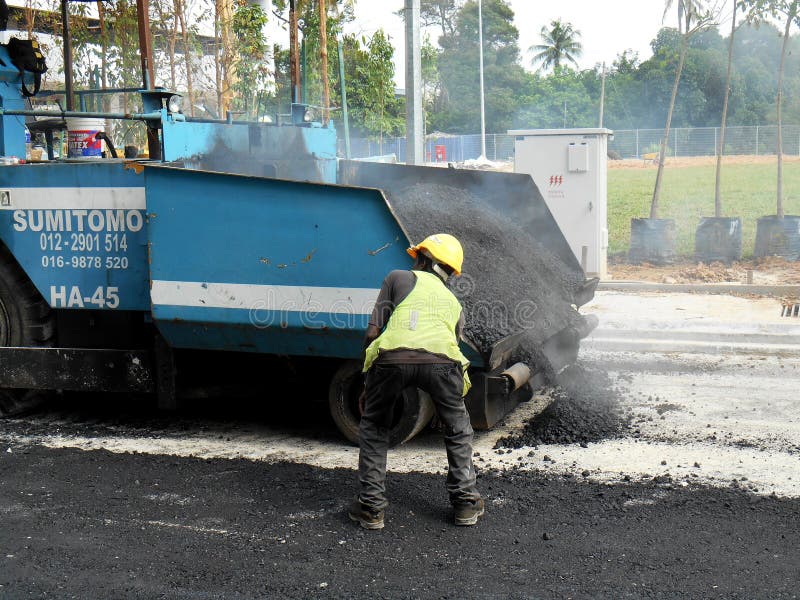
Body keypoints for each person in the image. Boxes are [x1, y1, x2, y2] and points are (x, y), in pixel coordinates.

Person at [348, 233, 484, 530]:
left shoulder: (397, 278)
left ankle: (371, 509)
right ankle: (465, 504)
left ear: (425, 259)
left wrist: (367, 383)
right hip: (443, 364)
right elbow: (452, 347)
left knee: (374, 426)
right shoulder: (454, 304)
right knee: (458, 428)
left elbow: (373, 333)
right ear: (450, 271)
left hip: (391, 359)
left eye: (418, 256)